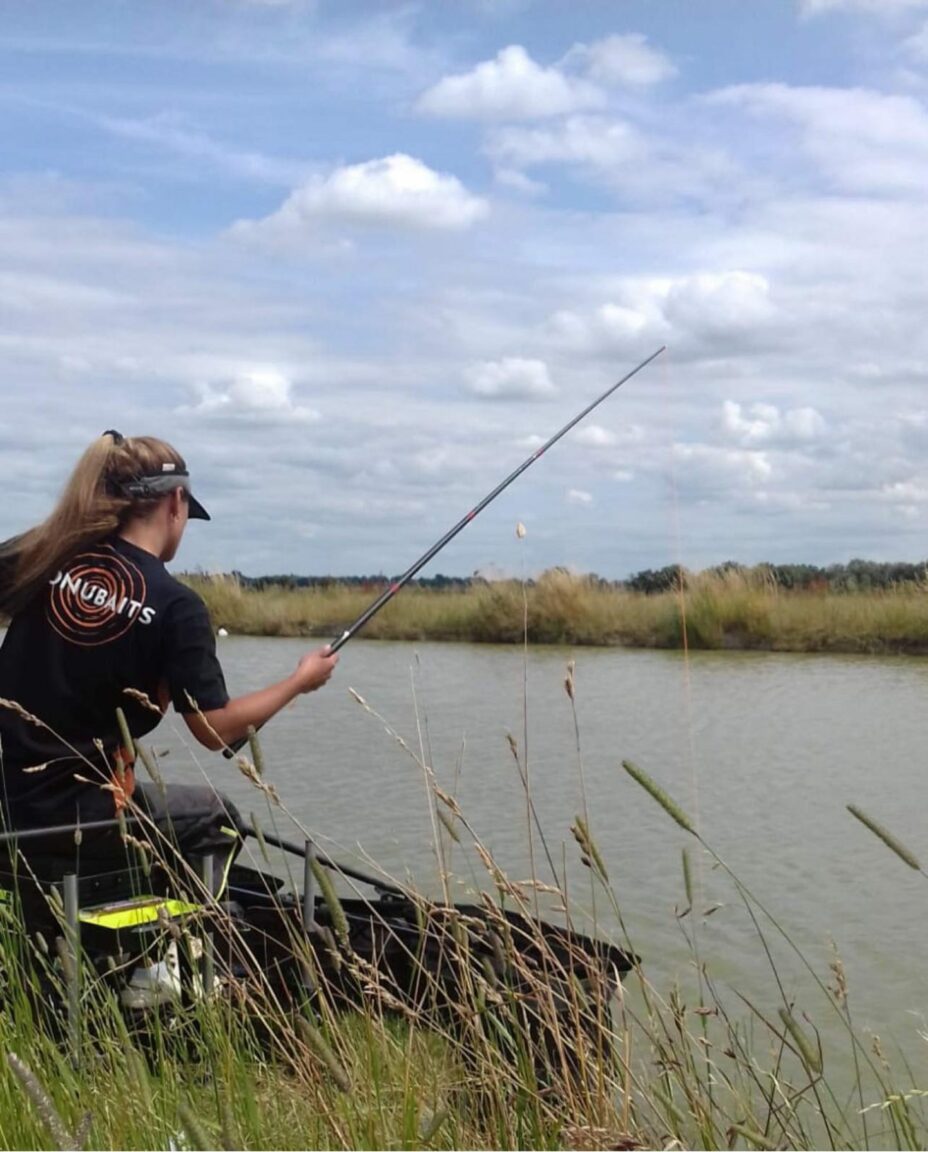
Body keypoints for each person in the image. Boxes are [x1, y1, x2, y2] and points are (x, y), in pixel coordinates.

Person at [0, 430, 338, 879]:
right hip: (81, 816)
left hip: (8, 804)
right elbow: (215, 731)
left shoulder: (44, 558)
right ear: (175, 502)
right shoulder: (177, 605)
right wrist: (300, 680)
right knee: (218, 818)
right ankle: (181, 937)